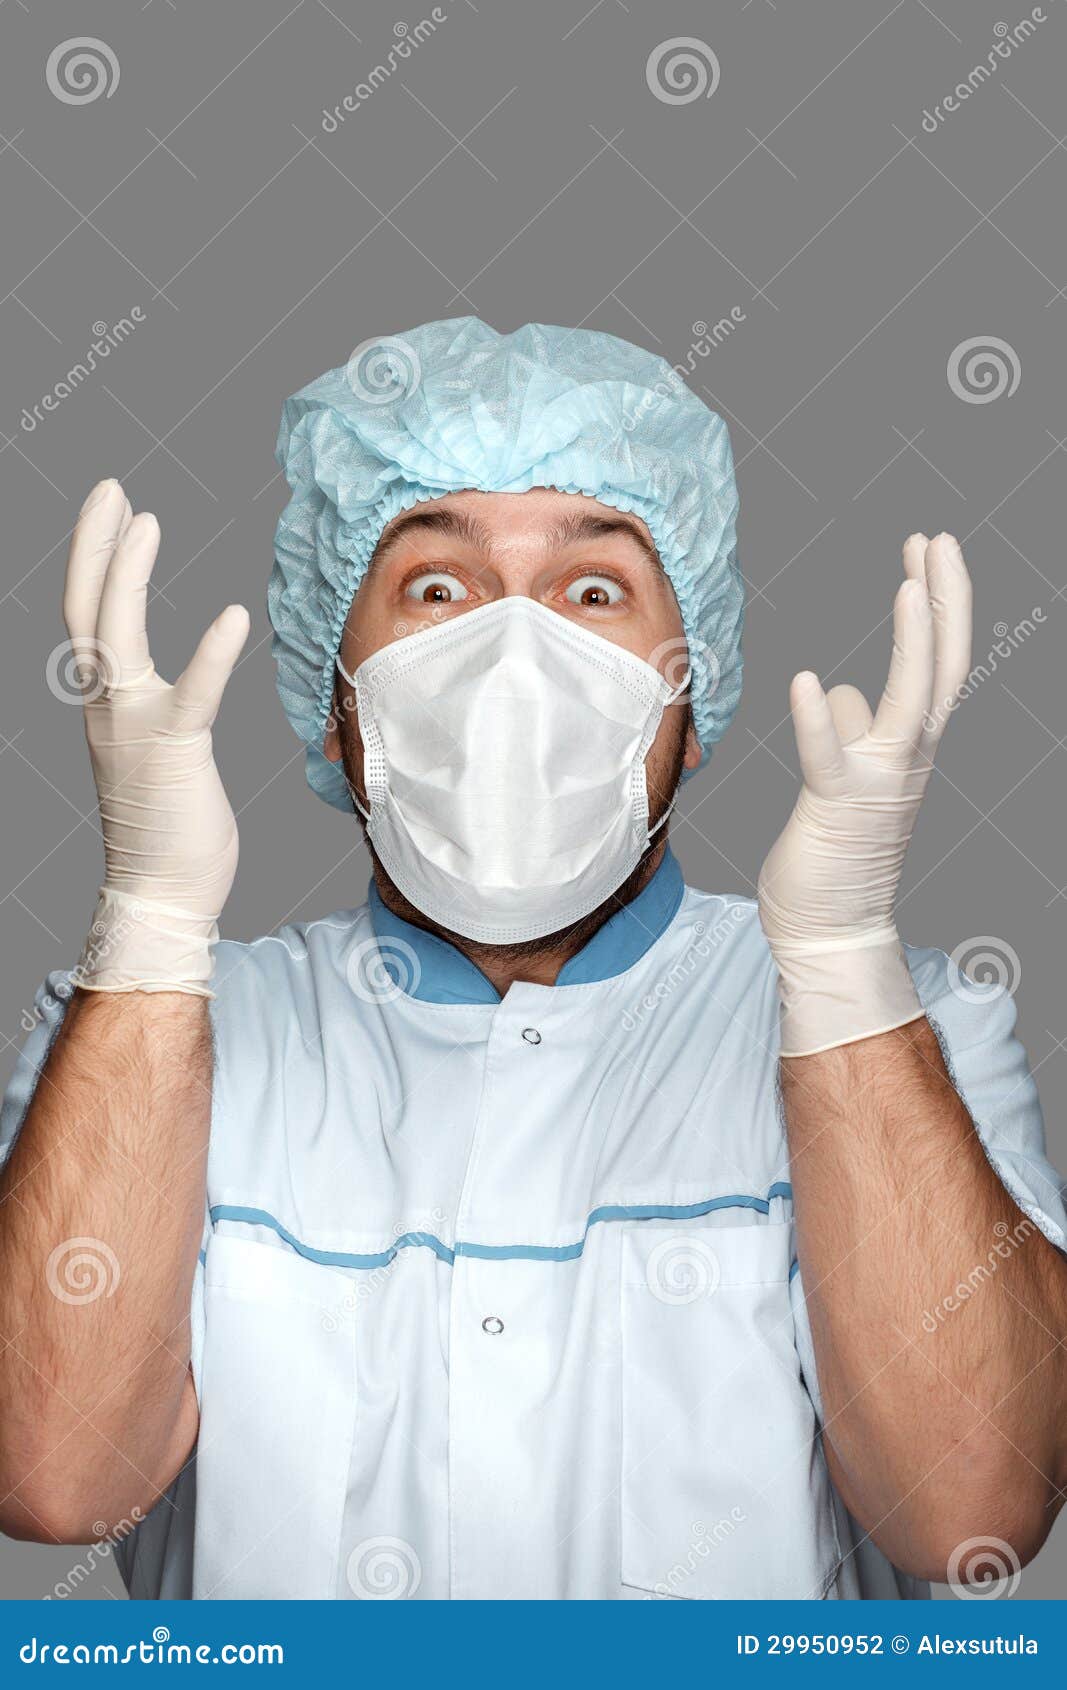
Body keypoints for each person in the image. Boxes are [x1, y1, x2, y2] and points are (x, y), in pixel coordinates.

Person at [1, 317, 1064, 1602]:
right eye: (437, 590)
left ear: (691, 696)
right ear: (335, 705)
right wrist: (151, 918)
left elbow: (973, 1502)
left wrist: (841, 966)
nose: (513, 654)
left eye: (593, 592)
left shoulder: (910, 1033)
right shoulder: (154, 1032)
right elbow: (52, 1477)